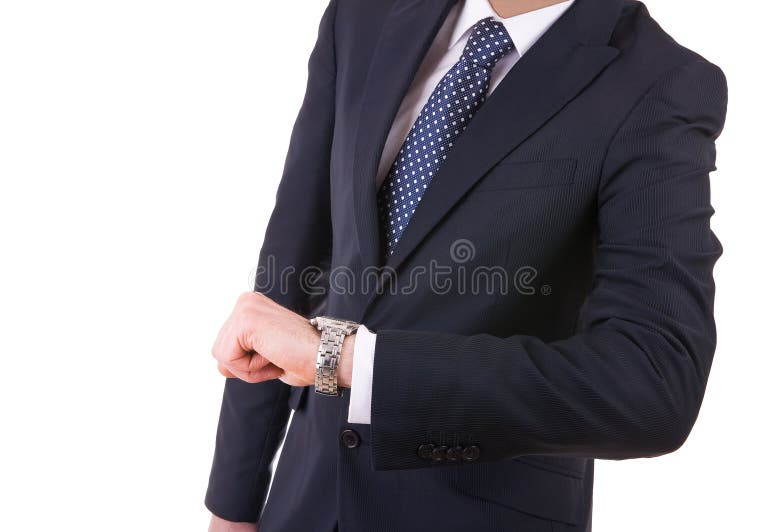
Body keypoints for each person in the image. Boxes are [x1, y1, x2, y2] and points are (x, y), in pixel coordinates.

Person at [206, 0, 728, 530]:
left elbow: (652, 386)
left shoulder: (659, 84)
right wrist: (232, 504)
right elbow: (289, 263)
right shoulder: (360, 15)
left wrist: (347, 360)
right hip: (304, 503)